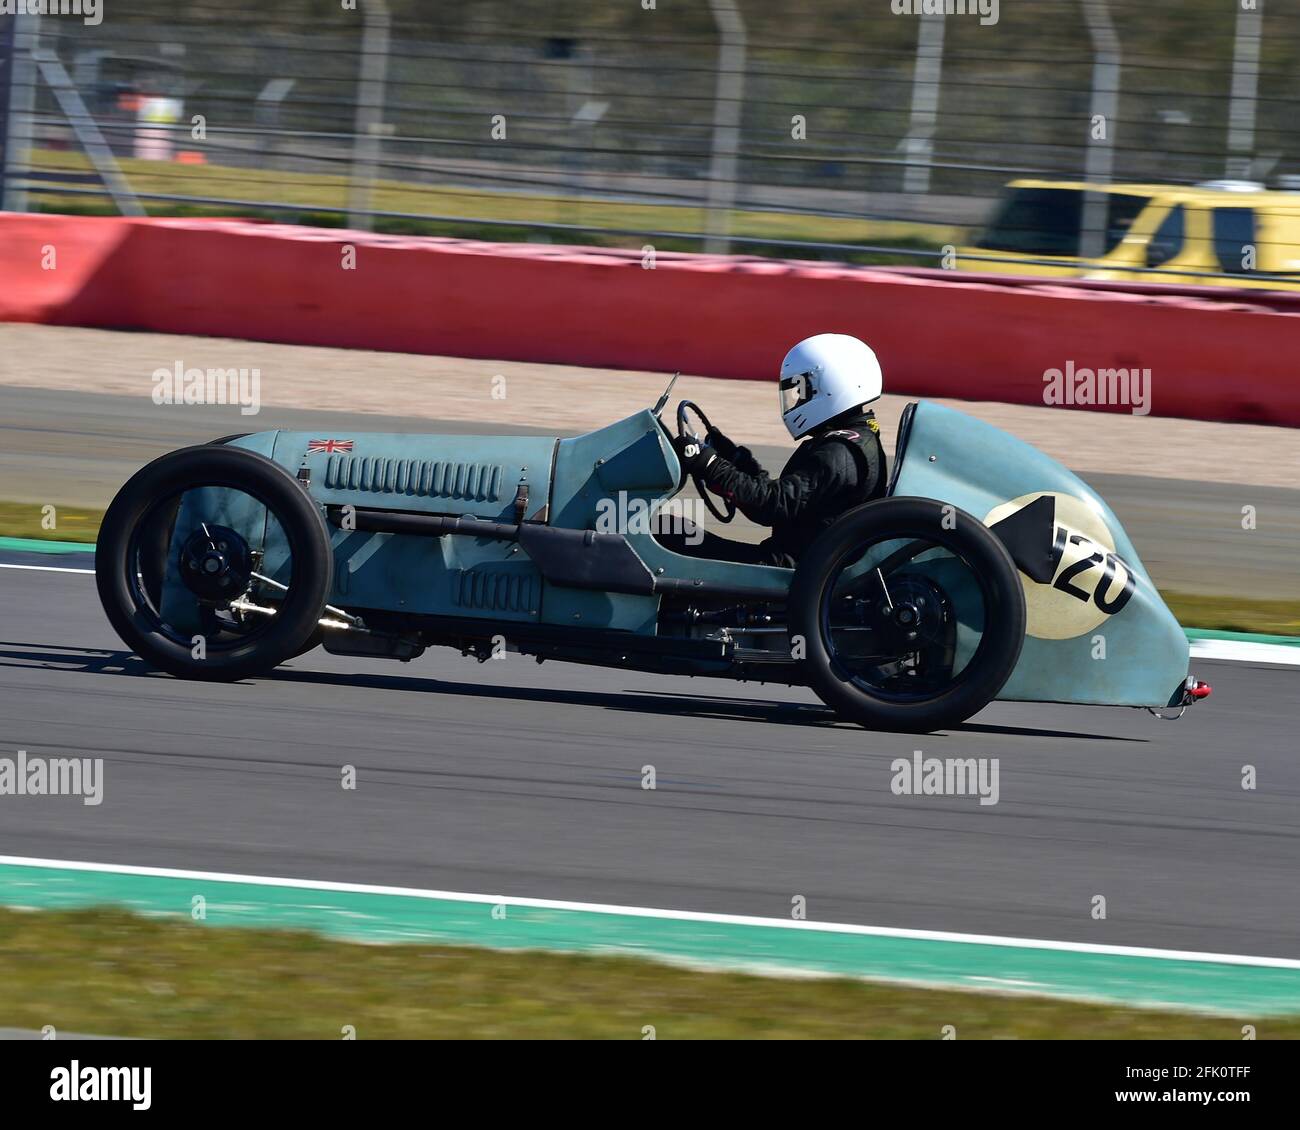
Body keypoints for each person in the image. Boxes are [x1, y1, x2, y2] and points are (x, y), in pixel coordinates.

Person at [665, 333, 888, 567]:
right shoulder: (855, 439)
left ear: (833, 385)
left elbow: (771, 506)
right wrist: (735, 459)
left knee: (669, 538)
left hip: (791, 571)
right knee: (675, 530)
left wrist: (710, 466)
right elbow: (786, 498)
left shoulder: (839, 453)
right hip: (804, 561)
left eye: (803, 390)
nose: (799, 399)